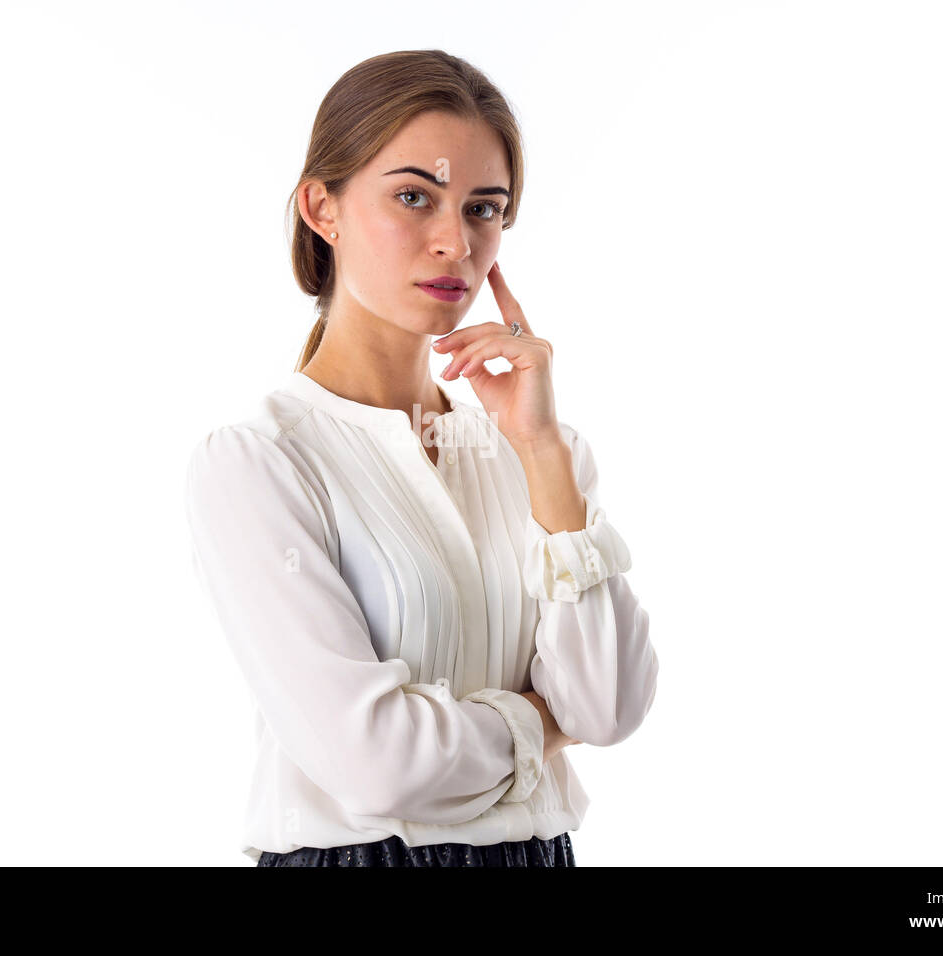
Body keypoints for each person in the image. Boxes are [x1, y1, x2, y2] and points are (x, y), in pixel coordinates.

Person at [184, 49, 659, 867]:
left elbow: (609, 706)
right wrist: (541, 725)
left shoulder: (542, 451)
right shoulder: (260, 462)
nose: (455, 241)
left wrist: (541, 453)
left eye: (484, 207)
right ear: (321, 208)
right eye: (414, 197)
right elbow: (375, 763)